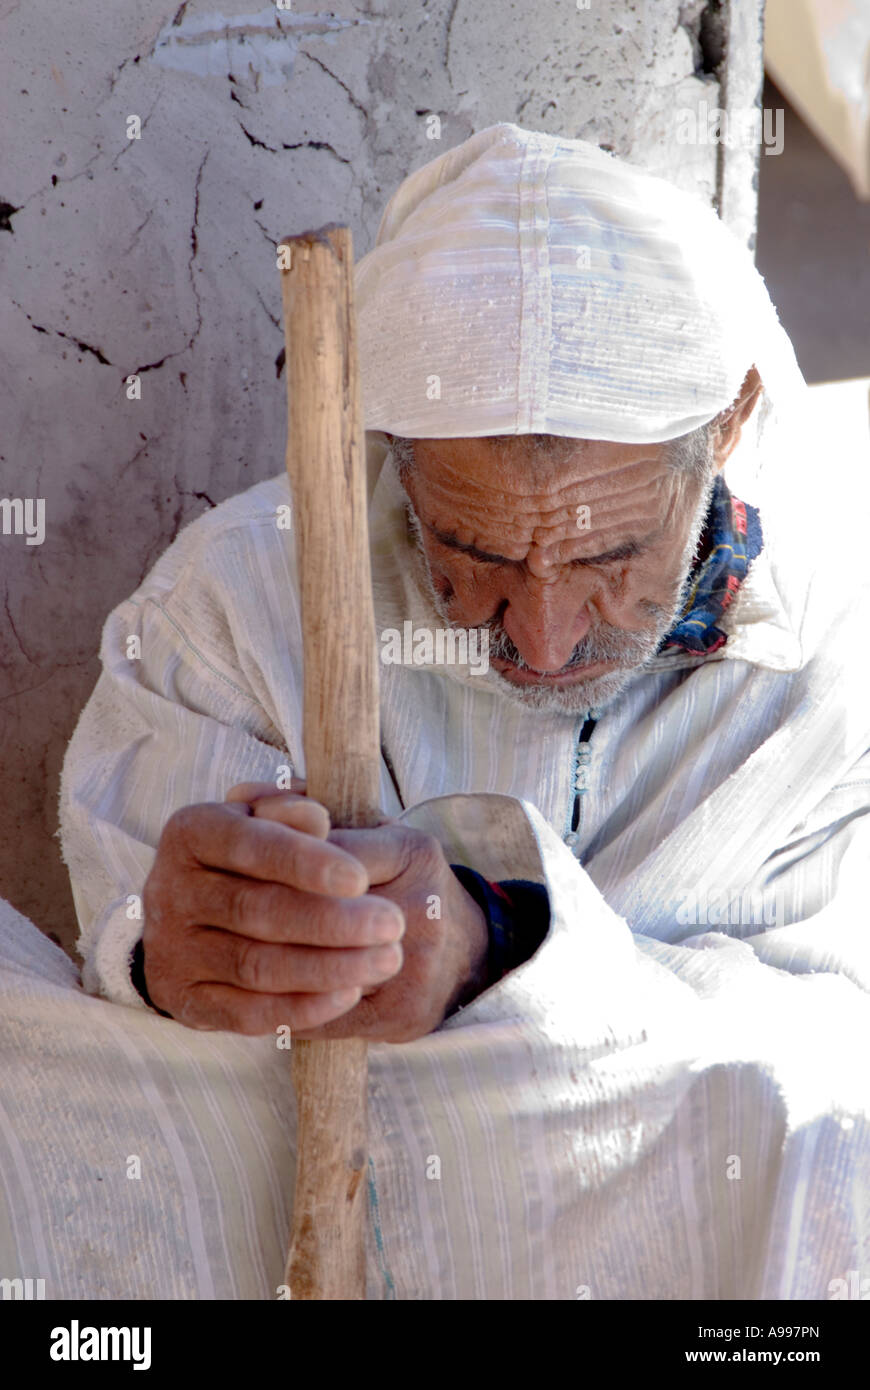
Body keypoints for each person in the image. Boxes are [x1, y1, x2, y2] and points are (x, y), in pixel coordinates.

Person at [57, 124, 870, 1298]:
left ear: (729, 424)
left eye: (612, 556)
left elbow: (834, 1061)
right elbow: (125, 975)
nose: (540, 638)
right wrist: (172, 957)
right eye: (472, 550)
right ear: (395, 457)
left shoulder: (837, 660)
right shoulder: (236, 602)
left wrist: (506, 942)